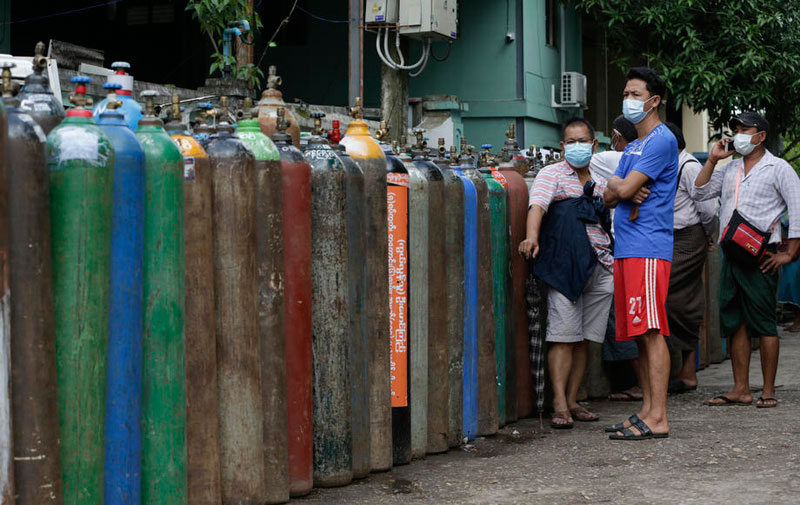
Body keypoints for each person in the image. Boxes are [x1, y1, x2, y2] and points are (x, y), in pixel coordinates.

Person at [692, 112, 800, 408]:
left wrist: (789, 253)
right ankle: (740, 389)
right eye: (736, 129)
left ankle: (768, 390)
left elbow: (797, 208)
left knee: (764, 322)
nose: (738, 134)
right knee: (734, 320)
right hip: (731, 254)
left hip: (761, 255)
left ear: (761, 136)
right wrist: (713, 159)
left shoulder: (778, 168)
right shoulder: (730, 168)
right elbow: (699, 192)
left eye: (744, 129)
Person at [519, 117, 614, 430]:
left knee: (585, 338)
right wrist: (531, 237)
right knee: (563, 337)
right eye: (571, 142)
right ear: (562, 146)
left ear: (594, 144)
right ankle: (559, 403)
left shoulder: (601, 179)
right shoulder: (552, 174)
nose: (577, 147)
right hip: (565, 267)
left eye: (582, 141)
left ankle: (574, 400)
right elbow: (537, 206)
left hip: (601, 265)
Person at [603, 67, 678, 440]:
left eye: (635, 94)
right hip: (628, 248)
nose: (628, 100)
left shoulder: (661, 140)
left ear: (654, 100)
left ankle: (659, 417)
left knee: (651, 331)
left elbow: (624, 187)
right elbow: (608, 195)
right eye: (626, 93)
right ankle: (647, 411)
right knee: (639, 333)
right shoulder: (633, 144)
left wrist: (624, 186)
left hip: (648, 247)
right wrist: (620, 186)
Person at [662, 122, 718, 394]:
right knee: (682, 300)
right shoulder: (668, 165)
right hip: (669, 237)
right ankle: (686, 372)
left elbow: (708, 209)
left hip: (688, 237)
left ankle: (683, 371)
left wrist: (705, 237)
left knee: (669, 294)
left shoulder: (689, 167)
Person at [593, 116, 645, 402]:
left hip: (624, 244)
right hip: (639, 244)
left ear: (616, 136)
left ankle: (638, 383)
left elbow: (612, 192)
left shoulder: (613, 158)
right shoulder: (647, 159)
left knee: (623, 315)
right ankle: (644, 383)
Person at [778, 213, 800, 332]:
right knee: (791, 284)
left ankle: (798, 321)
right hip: (789, 247)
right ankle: (797, 320)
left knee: (794, 282)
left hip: (794, 246)